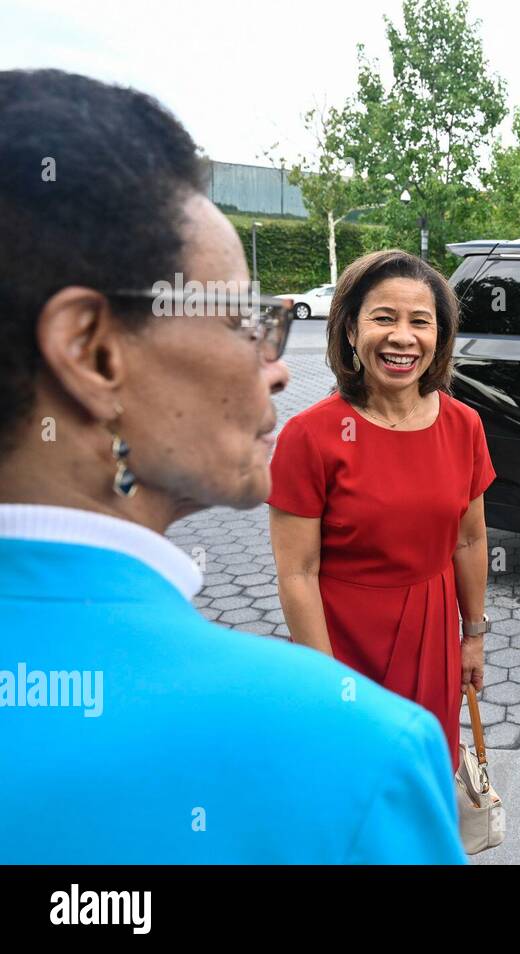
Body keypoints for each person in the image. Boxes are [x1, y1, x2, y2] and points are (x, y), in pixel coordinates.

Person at [0, 69, 464, 864]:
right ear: (93, 352)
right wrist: (333, 707)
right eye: (244, 320)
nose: (276, 366)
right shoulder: (356, 756)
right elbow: (298, 576)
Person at [268, 249, 494, 770]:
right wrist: (325, 683)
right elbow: (297, 573)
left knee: (422, 782)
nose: (402, 337)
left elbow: (470, 540)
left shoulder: (464, 427)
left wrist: (473, 635)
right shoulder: (309, 436)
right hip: (342, 642)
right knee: (349, 794)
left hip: (433, 638)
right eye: (383, 318)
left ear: (439, 336)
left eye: (421, 321)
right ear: (350, 330)